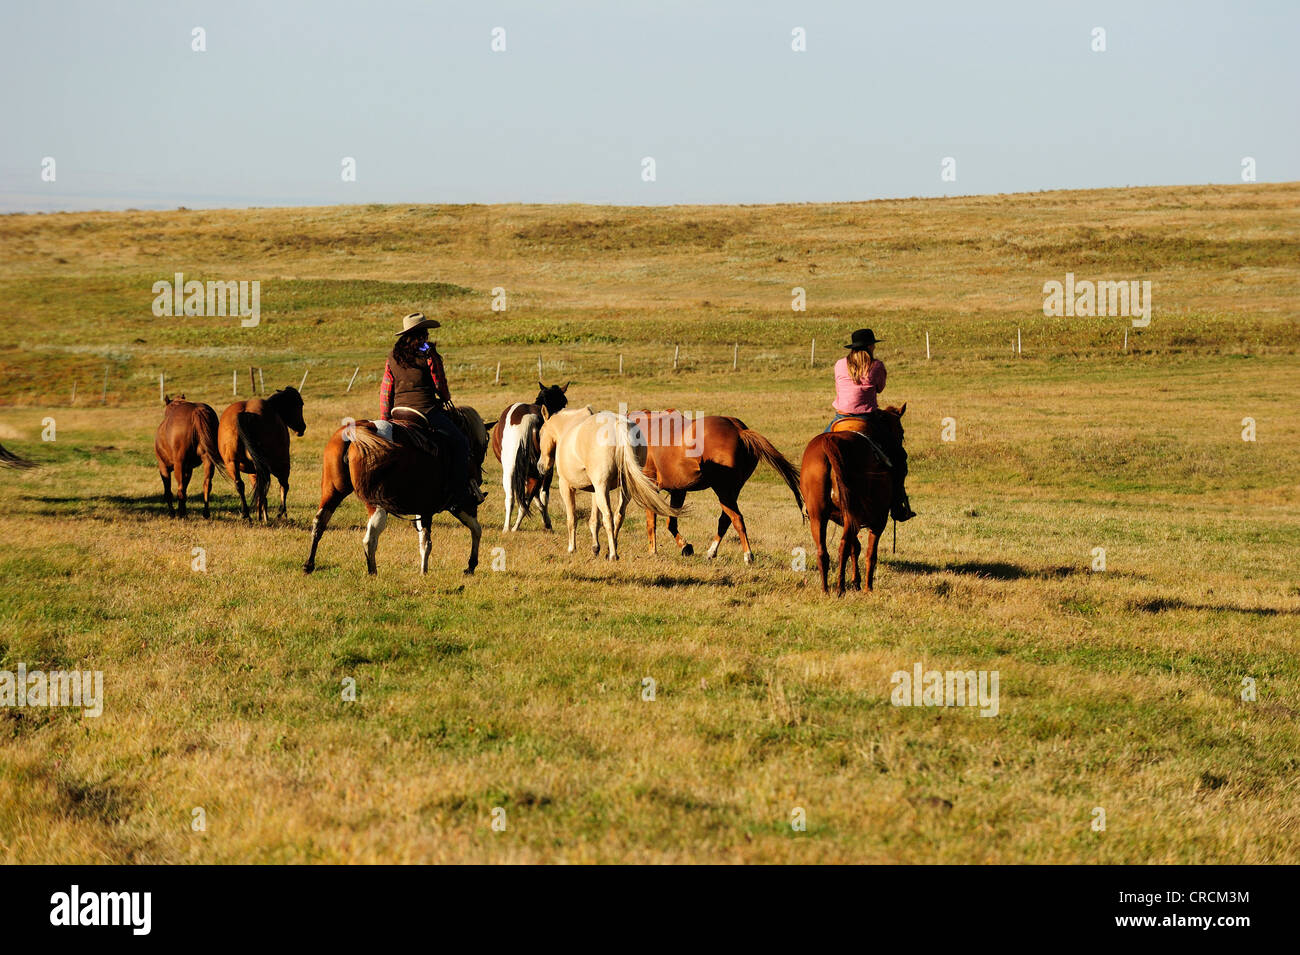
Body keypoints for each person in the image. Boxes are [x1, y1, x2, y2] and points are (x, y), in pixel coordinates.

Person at [379, 312, 485, 511]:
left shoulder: (393, 354)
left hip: (398, 413)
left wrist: (385, 419)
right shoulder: (427, 350)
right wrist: (444, 396)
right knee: (461, 442)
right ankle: (459, 493)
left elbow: (386, 390)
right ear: (423, 332)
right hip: (424, 411)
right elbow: (439, 381)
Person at [824, 327, 915, 522]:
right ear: (870, 346)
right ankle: (899, 504)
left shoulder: (839, 364)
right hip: (866, 419)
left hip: (840, 418)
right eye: (873, 344)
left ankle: (809, 501)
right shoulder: (876, 366)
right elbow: (880, 388)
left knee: (820, 449)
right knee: (898, 456)